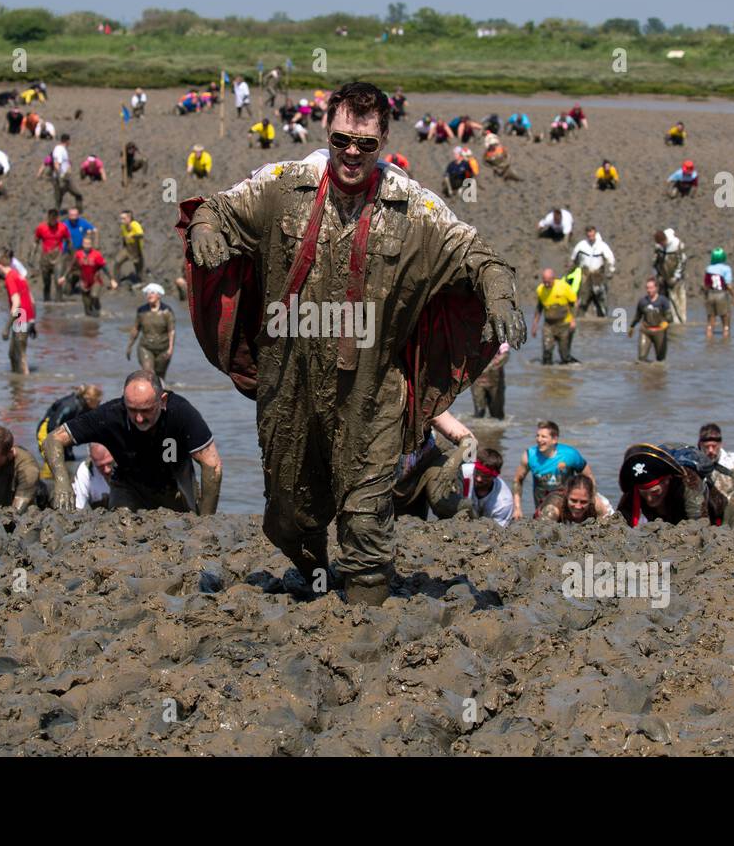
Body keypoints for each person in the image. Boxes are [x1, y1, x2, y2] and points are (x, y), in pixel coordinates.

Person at [182, 81, 524, 605]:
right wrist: (205, 229)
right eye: (342, 140)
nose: (352, 154)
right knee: (288, 518)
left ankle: (367, 622)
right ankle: (315, 573)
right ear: (327, 130)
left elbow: (478, 254)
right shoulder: (282, 184)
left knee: (366, 527)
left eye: (366, 144)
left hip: (370, 393)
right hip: (289, 388)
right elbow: (216, 209)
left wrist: (499, 295)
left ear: (383, 138)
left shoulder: (412, 206)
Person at [43, 369, 223, 515]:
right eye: (132, 410)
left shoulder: (181, 413)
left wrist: (206, 522)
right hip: (128, 485)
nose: (138, 418)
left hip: (174, 485)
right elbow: (53, 440)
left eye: (145, 411)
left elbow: (212, 465)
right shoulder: (110, 415)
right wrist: (61, 481)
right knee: (123, 532)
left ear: (162, 401)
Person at [394, 411, 477, 522]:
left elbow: (471, 442)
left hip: (429, 460)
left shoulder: (426, 404)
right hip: (396, 477)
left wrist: (451, 466)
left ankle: (470, 517)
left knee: (443, 501)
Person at [616, 444, 721, 526]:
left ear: (667, 480)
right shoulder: (634, 489)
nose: (649, 499)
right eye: (644, 494)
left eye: (655, 492)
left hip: (710, 505)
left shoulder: (690, 482)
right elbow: (620, 522)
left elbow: (699, 523)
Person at [511, 420, 592, 519]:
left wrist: (593, 498)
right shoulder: (529, 456)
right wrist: (517, 508)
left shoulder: (570, 455)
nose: (539, 439)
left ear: (554, 439)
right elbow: (517, 481)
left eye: (543, 436)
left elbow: (588, 476)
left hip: (569, 505)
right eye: (537, 436)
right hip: (542, 508)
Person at [35, 384, 104, 476]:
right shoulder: (69, 405)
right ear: (89, 399)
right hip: (47, 432)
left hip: (63, 432)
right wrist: (57, 444)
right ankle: (48, 481)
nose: (99, 405)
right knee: (53, 461)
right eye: (98, 402)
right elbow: (53, 425)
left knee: (70, 459)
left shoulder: (85, 406)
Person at [0, 253, 36, 374]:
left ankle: (23, 386)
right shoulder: (20, 275)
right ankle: (16, 386)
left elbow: (16, 303)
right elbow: (32, 300)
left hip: (21, 317)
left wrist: (6, 328)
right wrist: (33, 323)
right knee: (13, 354)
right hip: (28, 316)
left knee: (19, 355)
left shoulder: (9, 278)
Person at [127, 283, 176, 380]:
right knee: (149, 373)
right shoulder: (141, 311)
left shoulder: (167, 311)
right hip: (145, 347)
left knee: (160, 376)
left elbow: (171, 331)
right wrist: (129, 346)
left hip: (163, 347)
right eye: (148, 293)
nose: (150, 295)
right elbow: (136, 329)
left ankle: (161, 393)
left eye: (152, 293)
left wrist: (170, 348)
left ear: (159, 295)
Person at [533, 268, 579, 365]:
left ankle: (572, 364)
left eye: (548, 282)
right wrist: (535, 325)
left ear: (553, 279)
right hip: (548, 325)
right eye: (544, 282)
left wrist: (573, 320)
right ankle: (548, 376)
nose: (546, 284)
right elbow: (539, 308)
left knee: (564, 355)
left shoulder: (563, 287)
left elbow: (574, 303)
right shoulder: (540, 290)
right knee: (547, 352)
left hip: (564, 325)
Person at [570, 225, 616, 316]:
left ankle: (602, 319)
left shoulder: (602, 246)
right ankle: (580, 320)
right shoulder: (581, 245)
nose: (590, 236)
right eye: (588, 234)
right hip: (585, 275)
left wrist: (611, 270)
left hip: (598, 275)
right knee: (582, 300)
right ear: (586, 234)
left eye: (592, 234)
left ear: (595, 233)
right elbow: (573, 259)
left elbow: (611, 259)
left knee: (601, 300)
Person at [63, 234, 114, 315]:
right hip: (84, 282)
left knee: (94, 296)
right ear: (83, 244)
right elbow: (71, 266)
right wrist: (64, 277)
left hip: (95, 281)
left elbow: (105, 267)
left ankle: (99, 309)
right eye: (85, 244)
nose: (87, 246)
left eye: (89, 244)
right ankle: (91, 322)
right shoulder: (78, 254)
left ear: (91, 244)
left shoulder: (96, 255)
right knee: (87, 310)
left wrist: (112, 279)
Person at [630, 277, 674, 363]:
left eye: (651, 288)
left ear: (656, 288)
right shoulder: (642, 301)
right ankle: (644, 373)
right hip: (646, 331)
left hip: (659, 331)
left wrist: (666, 322)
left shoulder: (663, 301)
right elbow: (637, 316)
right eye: (647, 288)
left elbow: (670, 316)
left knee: (660, 361)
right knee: (641, 359)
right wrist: (632, 326)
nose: (649, 290)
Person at [539, 473, 615, 524]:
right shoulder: (553, 509)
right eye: (573, 500)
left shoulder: (599, 506)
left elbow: (612, 533)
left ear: (591, 498)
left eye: (583, 502)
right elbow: (541, 536)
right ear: (566, 494)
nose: (578, 506)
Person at [468, 447, 513, 526]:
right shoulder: (464, 476)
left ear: (494, 476)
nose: (479, 479)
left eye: (485, 476)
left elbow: (498, 532)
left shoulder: (504, 502)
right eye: (477, 472)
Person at [702, 247, 734, 339]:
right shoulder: (726, 269)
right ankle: (726, 342)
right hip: (721, 295)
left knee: (710, 322)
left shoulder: (708, 268)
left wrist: (705, 297)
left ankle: (709, 343)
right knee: (725, 320)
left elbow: (706, 285)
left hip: (710, 294)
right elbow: (728, 285)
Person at [34, 209, 71, 302]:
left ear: (57, 218)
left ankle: (58, 302)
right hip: (45, 257)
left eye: (54, 220)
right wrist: (32, 255)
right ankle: (47, 301)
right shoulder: (41, 228)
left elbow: (69, 241)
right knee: (46, 283)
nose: (52, 222)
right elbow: (36, 242)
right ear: (48, 218)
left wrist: (71, 256)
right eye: (51, 219)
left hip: (58, 256)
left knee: (58, 281)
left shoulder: (63, 227)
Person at [653, 228, 688, 323]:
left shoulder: (677, 245)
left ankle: (680, 323)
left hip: (677, 279)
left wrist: (676, 277)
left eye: (662, 243)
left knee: (678, 301)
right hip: (663, 277)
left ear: (665, 240)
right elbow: (656, 262)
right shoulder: (659, 247)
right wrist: (658, 275)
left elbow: (682, 261)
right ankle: (665, 321)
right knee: (663, 301)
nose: (661, 245)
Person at [470, 342, 508, 419]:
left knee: (496, 413)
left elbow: (505, 355)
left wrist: (489, 367)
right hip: (477, 379)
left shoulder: (499, 336)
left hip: (495, 379)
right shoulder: (471, 335)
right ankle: (477, 430)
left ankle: (498, 431)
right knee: (479, 412)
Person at [73, 443, 115, 509]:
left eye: (109, 463)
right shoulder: (85, 471)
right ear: (92, 459)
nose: (107, 470)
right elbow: (79, 506)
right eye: (100, 466)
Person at [52, 133, 85, 211]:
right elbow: (57, 164)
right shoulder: (59, 149)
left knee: (77, 195)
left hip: (65, 177)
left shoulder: (62, 150)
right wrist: (60, 178)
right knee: (59, 199)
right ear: (67, 141)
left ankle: (78, 212)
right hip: (62, 178)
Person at [116, 210, 146, 283]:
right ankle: (116, 281)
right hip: (128, 247)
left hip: (136, 249)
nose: (122, 221)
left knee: (138, 265)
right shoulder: (123, 226)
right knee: (117, 261)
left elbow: (141, 234)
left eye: (124, 218)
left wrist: (132, 235)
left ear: (129, 218)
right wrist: (124, 246)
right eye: (121, 219)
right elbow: (124, 237)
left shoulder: (134, 224)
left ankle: (140, 281)